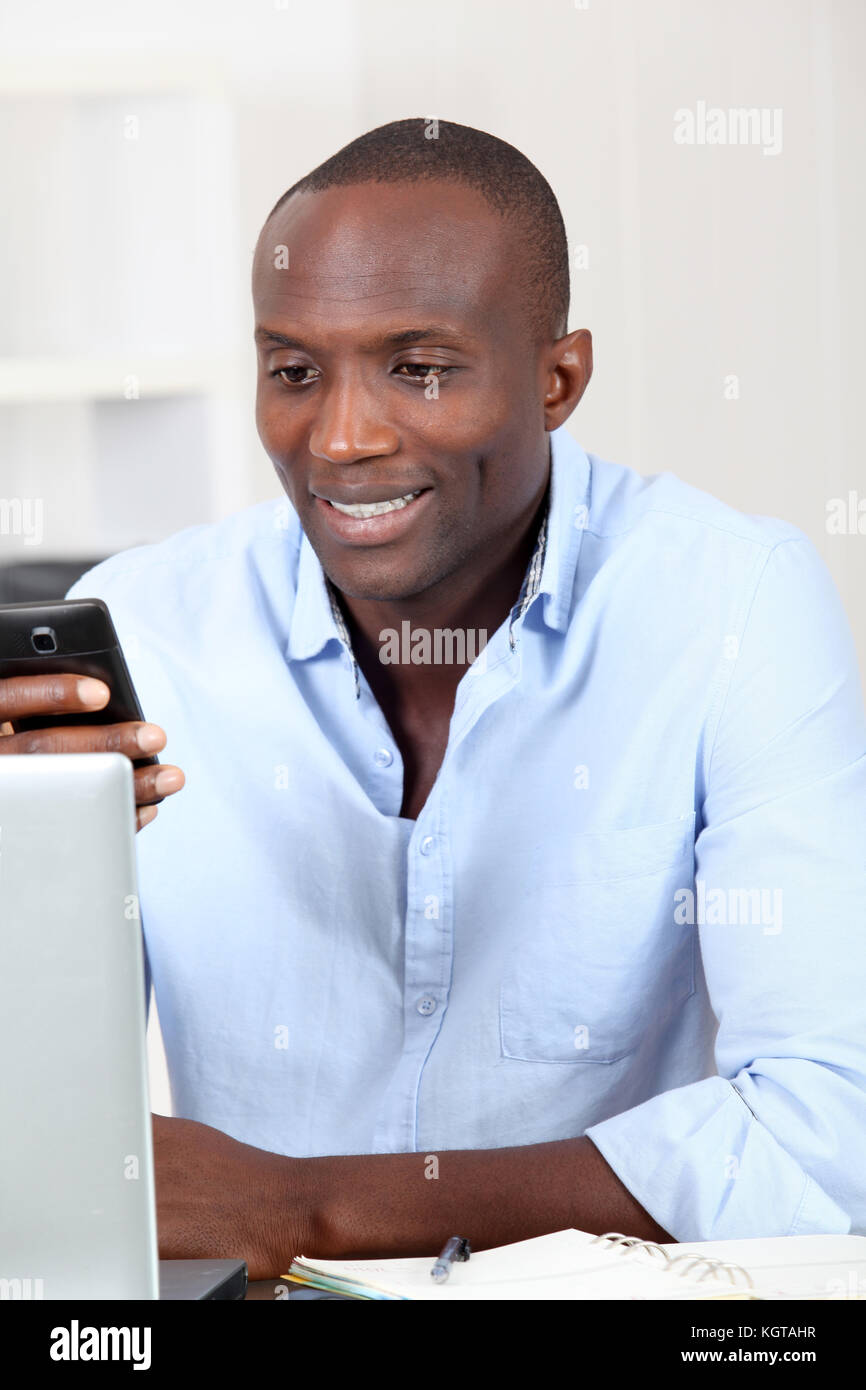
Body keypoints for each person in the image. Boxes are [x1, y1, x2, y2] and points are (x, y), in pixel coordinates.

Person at [3, 119, 865, 1279]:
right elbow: (39, 1144)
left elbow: (821, 1142)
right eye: (292, 371)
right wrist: (27, 879)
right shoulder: (150, 624)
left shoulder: (731, 607)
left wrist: (301, 1208)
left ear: (557, 379)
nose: (342, 438)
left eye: (420, 368)